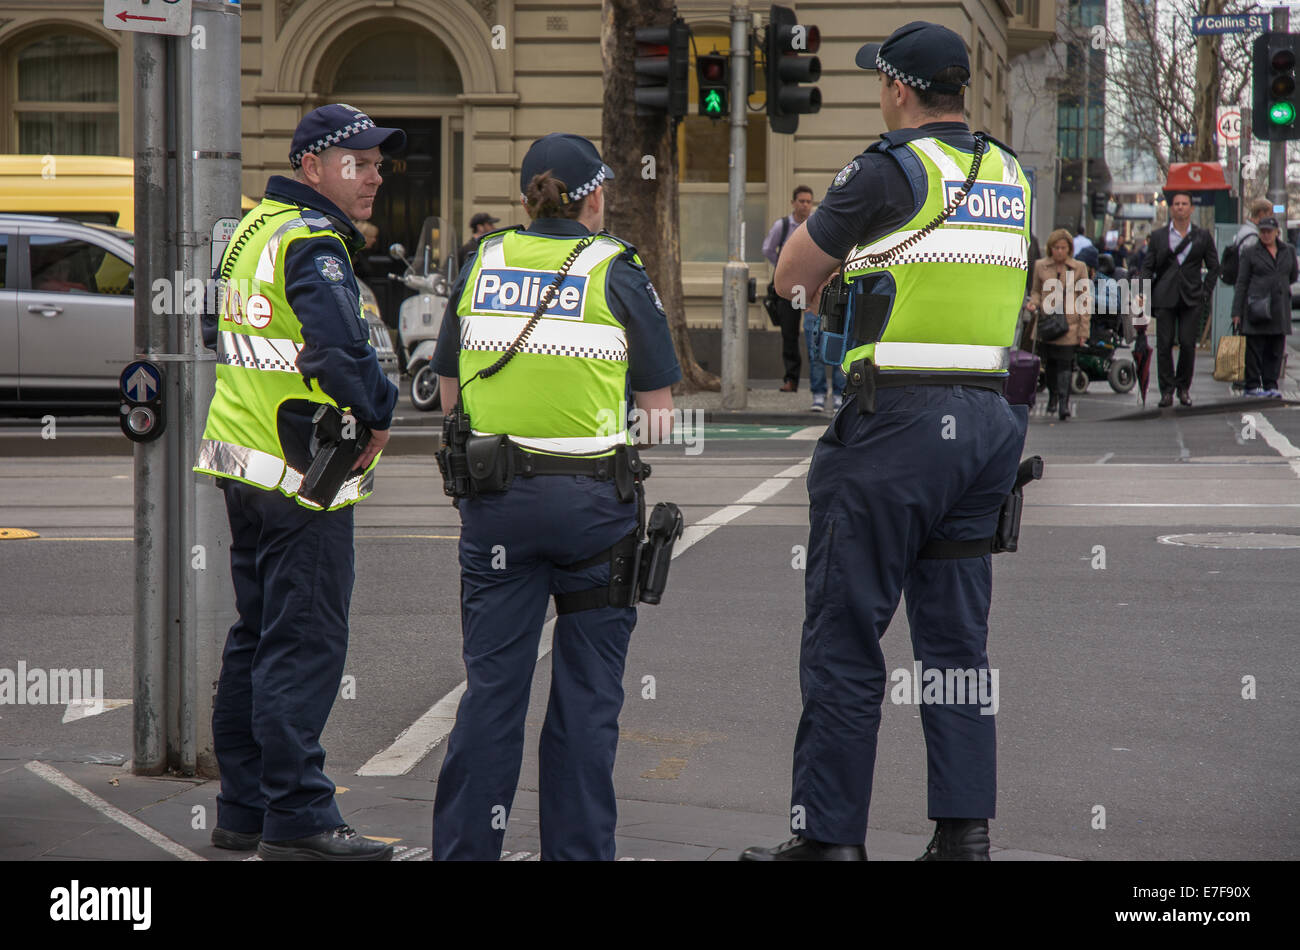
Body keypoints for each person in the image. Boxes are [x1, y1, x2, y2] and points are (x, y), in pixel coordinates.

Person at [740, 21, 1031, 862]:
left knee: (845, 636)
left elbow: (792, 275)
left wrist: (841, 270)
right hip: (986, 425)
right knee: (955, 646)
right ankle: (964, 832)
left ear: (900, 89)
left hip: (895, 425)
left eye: (880, 80)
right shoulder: (1010, 174)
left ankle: (830, 840)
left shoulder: (882, 170)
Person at [430, 133, 682, 860]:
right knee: (587, 701)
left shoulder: (481, 260)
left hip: (494, 502)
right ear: (595, 197)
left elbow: (451, 396)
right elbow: (659, 414)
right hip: (594, 513)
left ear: (523, 199)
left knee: (492, 695)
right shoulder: (617, 268)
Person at [194, 104, 403, 861]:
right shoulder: (313, 242)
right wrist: (379, 410)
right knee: (302, 644)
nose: (374, 176)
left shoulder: (254, 228)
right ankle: (302, 819)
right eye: (359, 162)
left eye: (379, 164)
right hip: (301, 474)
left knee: (255, 638)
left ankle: (243, 810)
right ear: (313, 165)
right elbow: (339, 351)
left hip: (244, 464)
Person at [1138, 190, 1220, 407]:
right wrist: (1144, 294)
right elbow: (1147, 267)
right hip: (1165, 296)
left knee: (1187, 343)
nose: (1180, 207)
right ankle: (1166, 390)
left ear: (1191, 209)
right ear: (1171, 208)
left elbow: (1214, 267)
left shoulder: (1202, 236)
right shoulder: (1158, 237)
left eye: (1184, 204)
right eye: (1176, 204)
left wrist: (1205, 292)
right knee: (1164, 344)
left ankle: (1183, 388)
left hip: (1192, 297)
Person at [1026, 229, 1090, 420]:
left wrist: (1083, 331)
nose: (1060, 251)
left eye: (1063, 248)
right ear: (1050, 248)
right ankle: (1053, 396)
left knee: (1065, 365)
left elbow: (1084, 299)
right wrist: (1033, 303)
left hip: (1070, 325)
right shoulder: (1040, 266)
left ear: (1069, 249)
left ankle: (1064, 403)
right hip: (1048, 324)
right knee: (1051, 365)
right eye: (1056, 248)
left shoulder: (1079, 267)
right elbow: (1036, 291)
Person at [1231, 216, 1296, 397]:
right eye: (1263, 232)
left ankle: (1271, 384)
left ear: (1277, 232)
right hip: (1256, 307)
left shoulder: (1287, 251)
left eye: (1269, 231)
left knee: (1275, 349)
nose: (1266, 235)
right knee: (1254, 348)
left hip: (1279, 308)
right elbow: (1242, 282)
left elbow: (1292, 275)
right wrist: (1236, 311)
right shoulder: (1251, 252)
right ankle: (1252, 385)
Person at [763, 185, 816, 392]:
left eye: (809, 201)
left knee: (815, 332)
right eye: (801, 201)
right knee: (790, 334)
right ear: (793, 203)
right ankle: (791, 379)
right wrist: (783, 266)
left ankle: (818, 384)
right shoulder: (783, 226)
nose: (805, 205)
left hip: (811, 286)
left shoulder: (815, 224)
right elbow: (767, 249)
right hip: (790, 288)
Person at [805, 307, 846, 411]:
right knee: (815, 352)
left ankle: (839, 393)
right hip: (815, 308)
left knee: (840, 351)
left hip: (839, 306)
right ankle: (819, 393)